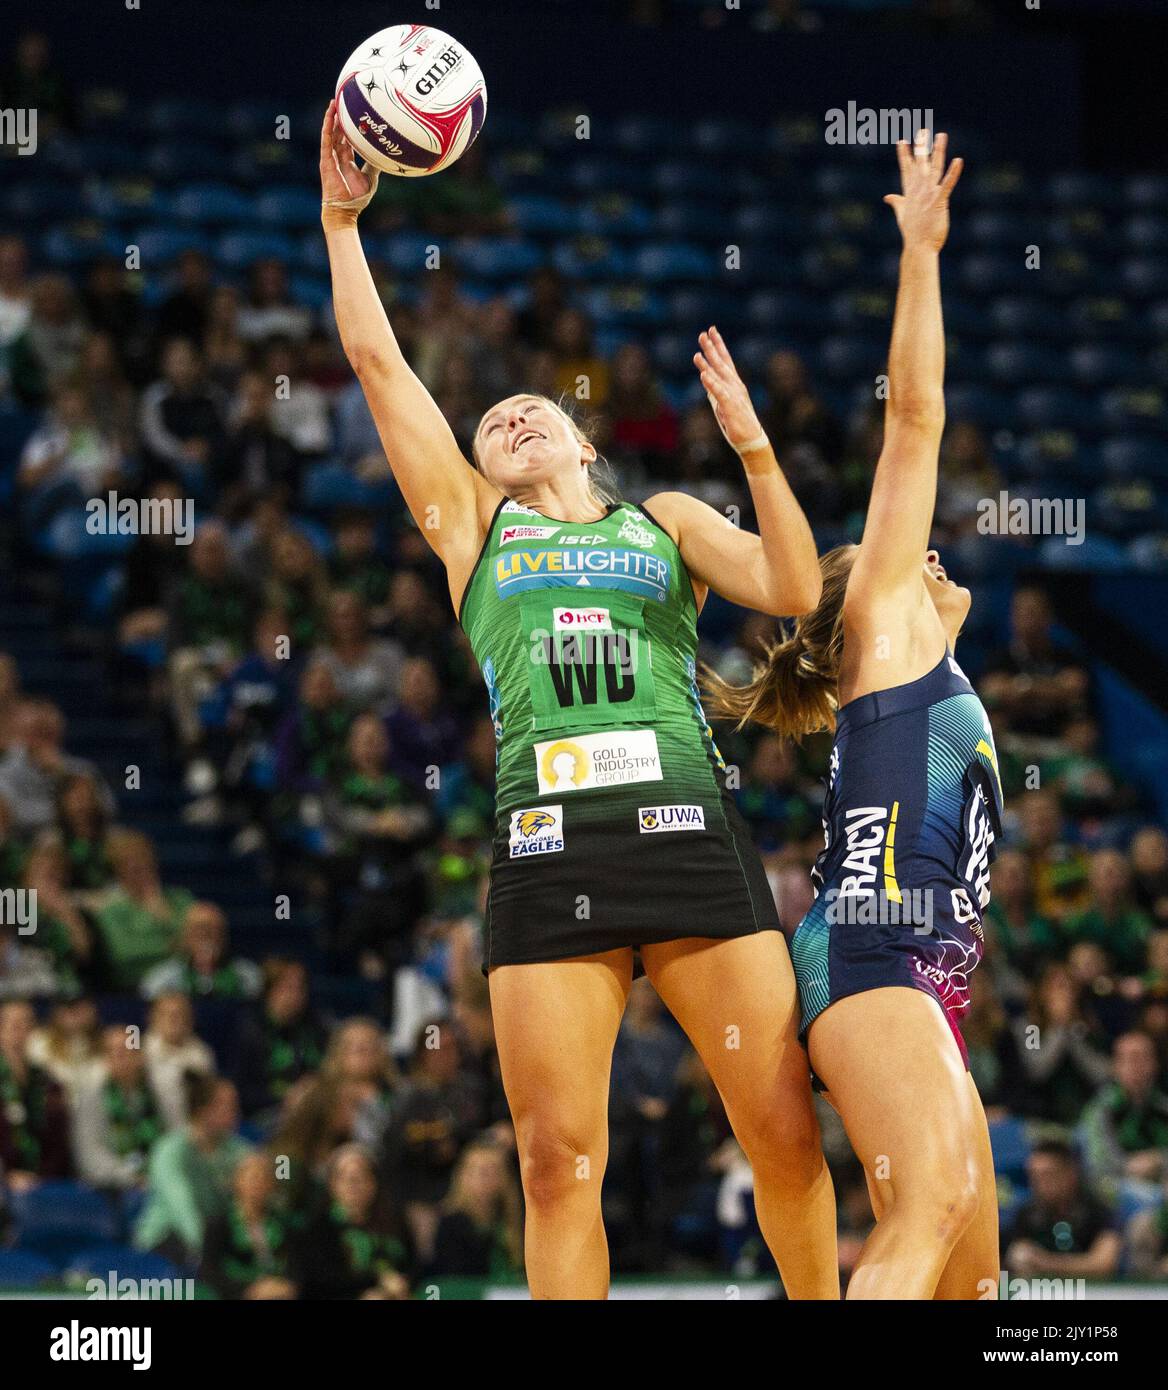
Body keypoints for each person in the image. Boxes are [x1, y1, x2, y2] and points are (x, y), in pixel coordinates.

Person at [320, 100, 837, 1300]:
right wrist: (345, 224)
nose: (508, 415)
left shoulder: (663, 521)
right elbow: (377, 365)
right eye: (491, 419)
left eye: (532, 408)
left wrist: (756, 449)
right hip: (549, 852)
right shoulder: (472, 530)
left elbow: (795, 586)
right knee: (557, 1162)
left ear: (582, 439)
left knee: (783, 1136)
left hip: (689, 838)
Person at [708, 133, 995, 1300]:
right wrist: (920, 254)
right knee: (926, 1210)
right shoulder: (885, 620)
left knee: (971, 1282)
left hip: (901, 965)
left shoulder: (916, 665)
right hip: (876, 951)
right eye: (891, 554)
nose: (924, 552)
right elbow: (914, 419)